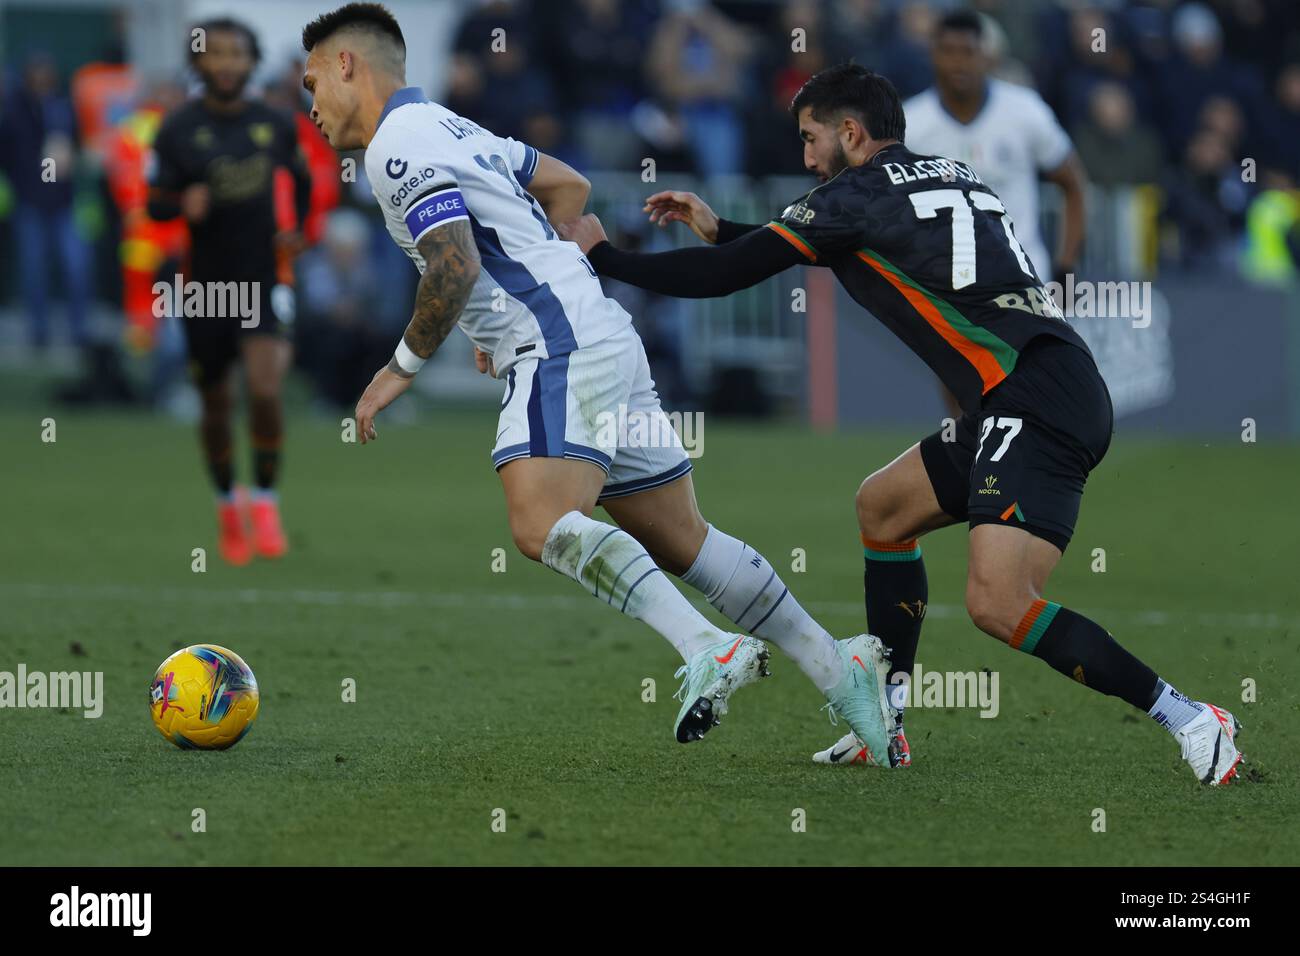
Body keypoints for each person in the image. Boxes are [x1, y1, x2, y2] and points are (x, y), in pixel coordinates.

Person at [560, 63, 1244, 785]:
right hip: (1035, 385)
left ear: (850, 132)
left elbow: (727, 275)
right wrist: (721, 227)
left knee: (999, 602)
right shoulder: (946, 173)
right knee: (883, 508)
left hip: (1033, 397)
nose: (806, 158)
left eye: (811, 138)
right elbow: (838, 244)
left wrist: (602, 257)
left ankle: (1192, 718)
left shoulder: (851, 197)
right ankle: (882, 716)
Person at [298, 2, 894, 755]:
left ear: (349, 65)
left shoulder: (393, 148)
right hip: (602, 334)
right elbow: (569, 188)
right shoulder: (453, 126)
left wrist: (399, 368)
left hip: (560, 348)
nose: (310, 107)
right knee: (686, 543)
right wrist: (505, 309)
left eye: (312, 82)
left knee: (538, 523)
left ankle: (705, 646)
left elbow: (454, 263)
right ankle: (842, 671)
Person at [147, 18, 312, 565]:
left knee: (265, 390)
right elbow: (153, 200)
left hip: (264, 278)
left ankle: (265, 501)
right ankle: (226, 505)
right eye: (213, 54)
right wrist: (179, 204)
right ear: (197, 63)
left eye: (235, 54)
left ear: (251, 61)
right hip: (206, 288)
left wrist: (300, 230)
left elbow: (304, 179)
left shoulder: (275, 124)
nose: (225, 63)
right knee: (215, 405)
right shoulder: (175, 130)